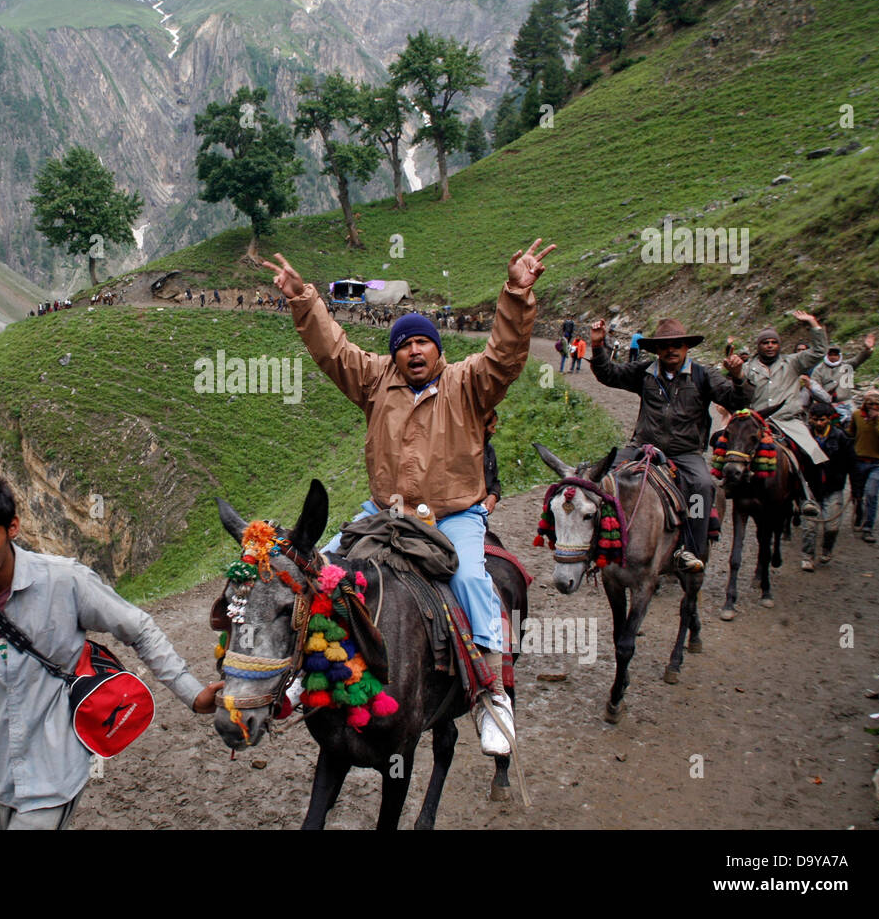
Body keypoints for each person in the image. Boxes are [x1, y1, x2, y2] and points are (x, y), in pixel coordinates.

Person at [263, 238, 555, 758]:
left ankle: (491, 693)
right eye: (404, 344)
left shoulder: (470, 382)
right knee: (321, 568)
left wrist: (515, 293)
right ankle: (299, 671)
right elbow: (333, 350)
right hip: (384, 514)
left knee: (469, 578)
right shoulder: (376, 381)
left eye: (423, 343)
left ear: (438, 349)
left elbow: (506, 356)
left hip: (453, 515)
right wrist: (304, 299)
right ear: (394, 352)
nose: (414, 351)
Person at [0, 476, 221, 831]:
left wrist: (192, 693)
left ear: (12, 527)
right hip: (2, 774)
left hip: (56, 769)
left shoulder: (64, 582)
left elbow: (138, 629)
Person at [589, 316, 752, 572]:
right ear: (656, 350)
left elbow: (738, 403)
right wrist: (598, 347)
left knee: (703, 487)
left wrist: (738, 377)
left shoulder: (702, 375)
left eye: (677, 344)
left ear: (687, 347)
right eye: (664, 345)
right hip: (643, 447)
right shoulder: (644, 373)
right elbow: (609, 374)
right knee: (604, 478)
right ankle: (602, 543)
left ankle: (692, 550)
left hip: (685, 452)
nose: (671, 349)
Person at [743, 312, 829, 514]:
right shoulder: (748, 368)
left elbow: (819, 352)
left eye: (774, 342)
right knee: (735, 452)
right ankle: (735, 488)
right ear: (759, 346)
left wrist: (813, 324)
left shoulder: (793, 362)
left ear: (779, 345)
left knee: (813, 453)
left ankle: (808, 496)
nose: (770, 345)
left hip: (788, 421)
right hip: (758, 422)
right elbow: (738, 388)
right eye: (766, 342)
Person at [801, 401, 854, 570]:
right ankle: (807, 556)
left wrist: (856, 490)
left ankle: (827, 548)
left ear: (829, 420)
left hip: (833, 487)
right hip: (811, 487)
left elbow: (852, 464)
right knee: (809, 525)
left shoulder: (841, 438)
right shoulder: (804, 437)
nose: (818, 423)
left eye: (822, 420)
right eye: (815, 419)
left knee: (832, 526)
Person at [848, 389, 879, 543]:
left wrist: (878, 422)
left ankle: (868, 528)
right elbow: (851, 433)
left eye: (876, 403)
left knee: (872, 493)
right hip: (859, 460)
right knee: (857, 493)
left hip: (878, 462)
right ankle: (858, 512)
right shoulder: (857, 416)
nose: (873, 406)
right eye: (870, 403)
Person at [811, 335, 875, 413]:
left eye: (835, 354)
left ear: (839, 356)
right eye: (830, 354)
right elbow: (815, 387)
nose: (833, 357)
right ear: (827, 356)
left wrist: (867, 349)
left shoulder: (846, 365)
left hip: (846, 402)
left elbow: (859, 359)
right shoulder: (819, 370)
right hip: (826, 403)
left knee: (855, 418)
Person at [482, 409, 501, 517]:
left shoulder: (489, 450)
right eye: (492, 427)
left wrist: (493, 495)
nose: (494, 431)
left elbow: (494, 481)